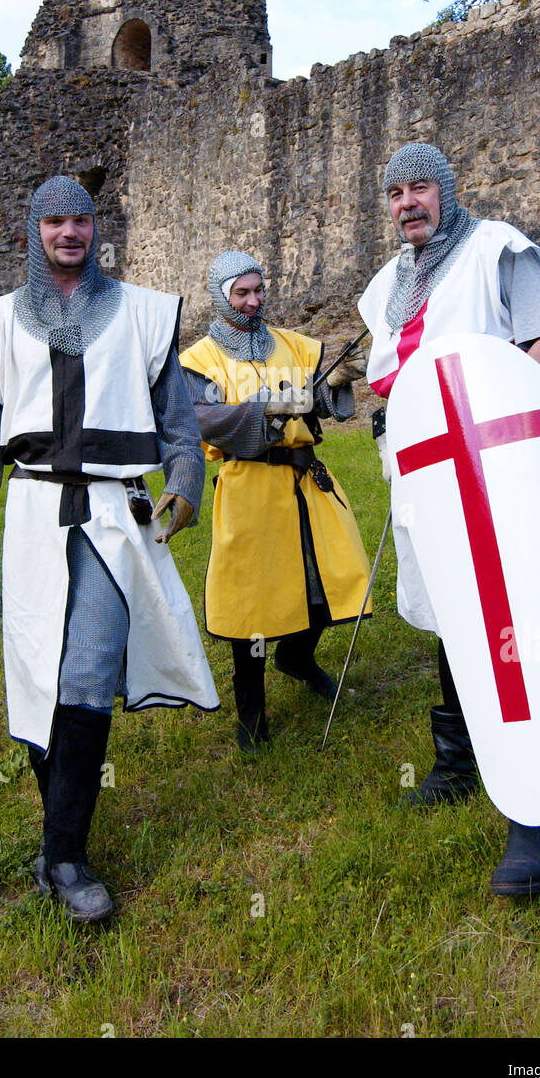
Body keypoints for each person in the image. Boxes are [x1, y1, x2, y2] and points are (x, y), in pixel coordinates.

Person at [0, 175, 218, 921]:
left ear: (97, 228)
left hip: (110, 515)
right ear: (36, 231)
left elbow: (178, 423)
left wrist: (184, 482)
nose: (69, 232)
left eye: (81, 220)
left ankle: (64, 857)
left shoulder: (145, 315)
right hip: (31, 511)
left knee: (87, 674)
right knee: (38, 678)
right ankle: (58, 836)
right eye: (55, 221)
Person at [358, 143, 540, 895]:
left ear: (445, 192)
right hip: (427, 473)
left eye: (418, 187)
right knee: (456, 610)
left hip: (500, 464)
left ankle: (534, 814)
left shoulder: (496, 250)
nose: (406, 202)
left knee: (510, 617)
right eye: (393, 193)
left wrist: (488, 401)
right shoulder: (387, 285)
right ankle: (458, 761)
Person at [180, 251, 372, 753]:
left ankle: (297, 657)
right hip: (250, 490)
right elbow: (199, 419)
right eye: (241, 293)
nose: (253, 301)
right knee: (253, 606)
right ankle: (251, 715)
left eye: (259, 290)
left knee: (331, 581)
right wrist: (266, 408)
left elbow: (318, 404)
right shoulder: (200, 359)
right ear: (221, 296)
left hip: (306, 483)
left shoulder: (292, 344)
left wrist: (334, 383)